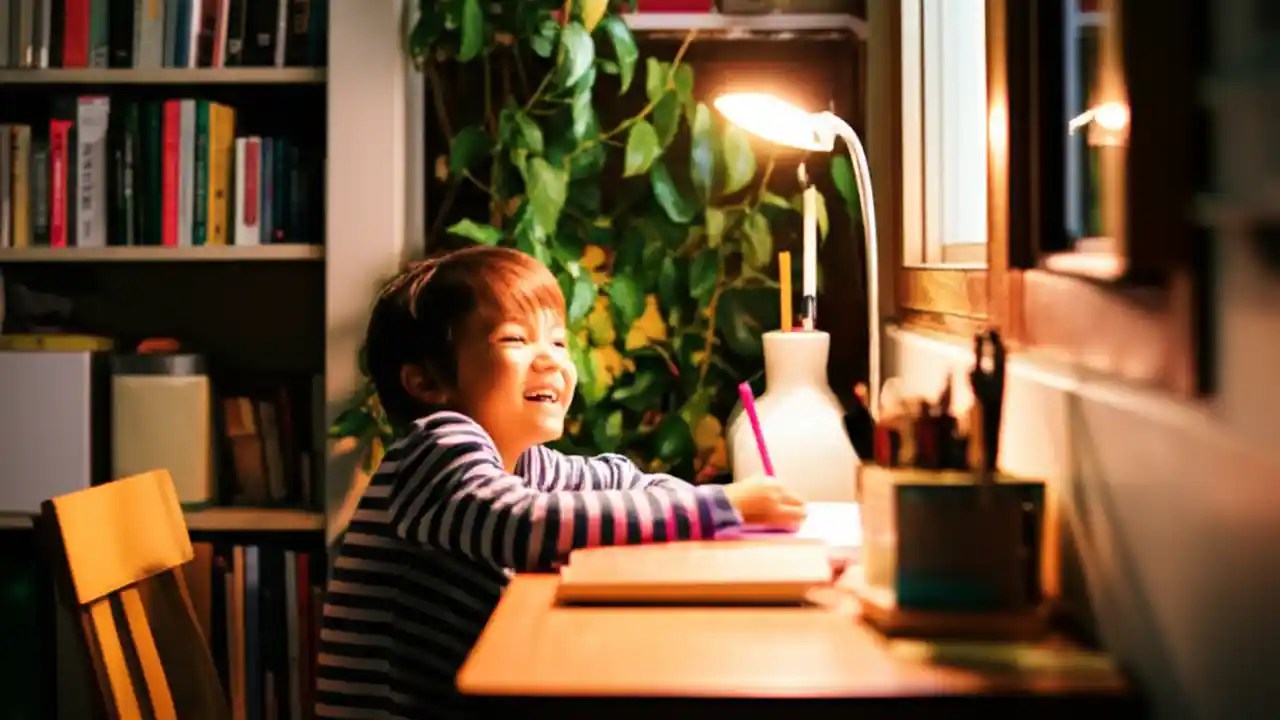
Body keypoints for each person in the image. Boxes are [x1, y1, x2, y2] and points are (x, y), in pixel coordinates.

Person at [316, 245, 805, 719]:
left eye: (557, 341)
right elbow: (528, 527)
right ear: (426, 383)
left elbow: (625, 480)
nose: (550, 360)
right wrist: (723, 506)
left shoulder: (527, 464)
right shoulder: (435, 447)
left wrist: (702, 503)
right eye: (514, 340)